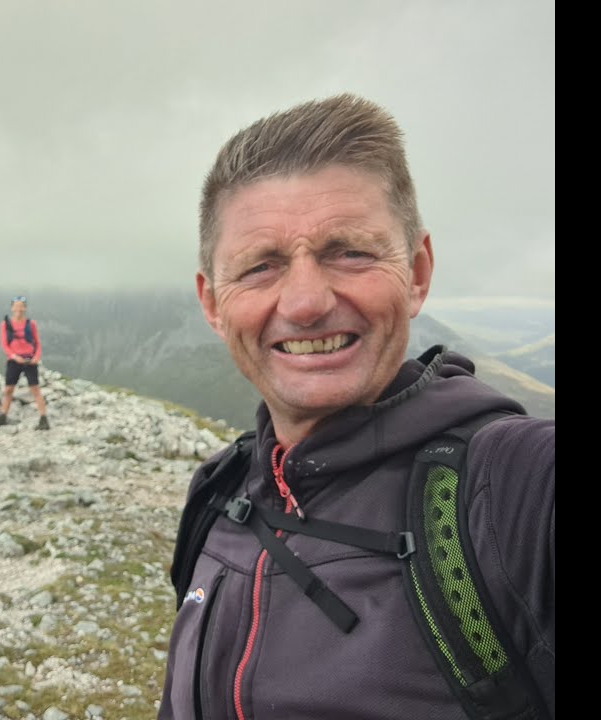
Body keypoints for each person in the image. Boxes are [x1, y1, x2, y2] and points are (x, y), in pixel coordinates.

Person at [158, 94, 554, 718]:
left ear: (418, 272)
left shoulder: (512, 489)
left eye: (350, 252)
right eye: (261, 266)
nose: (307, 302)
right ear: (212, 303)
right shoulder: (218, 495)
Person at [0, 296, 50, 430]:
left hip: (29, 359)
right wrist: (14, 356)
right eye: (16, 306)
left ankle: (44, 418)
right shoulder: (5, 324)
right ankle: (2, 416)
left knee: (35, 389)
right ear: (12, 308)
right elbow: (4, 344)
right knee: (9, 389)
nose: (19, 309)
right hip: (14, 360)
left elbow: (37, 343)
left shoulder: (31, 324)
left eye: (21, 306)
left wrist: (36, 357)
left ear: (25, 308)